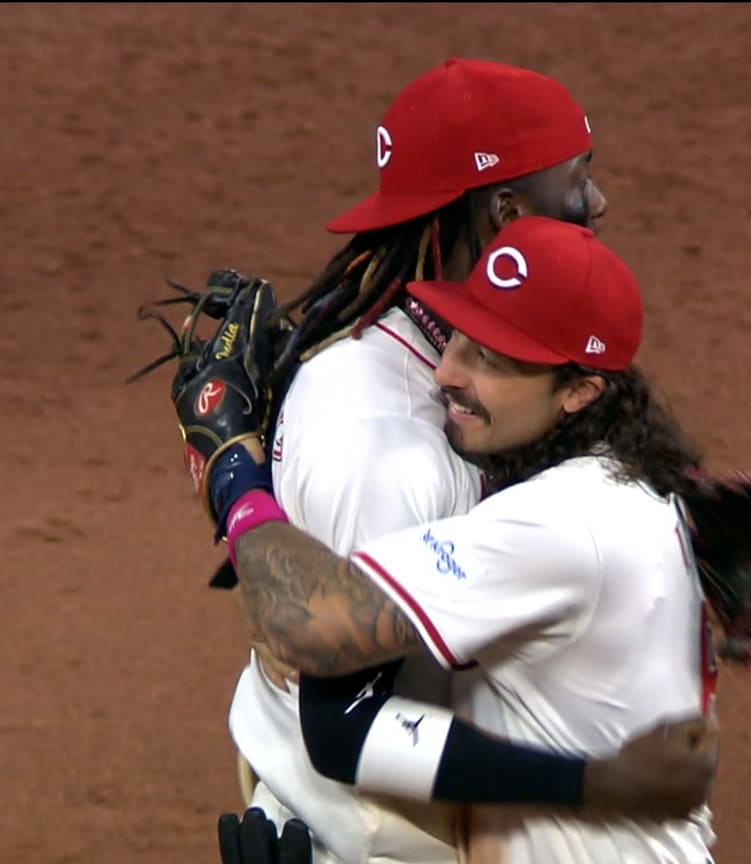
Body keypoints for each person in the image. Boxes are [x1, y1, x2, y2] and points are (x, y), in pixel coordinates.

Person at [157, 58, 718, 864]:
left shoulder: (497, 387)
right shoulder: (384, 431)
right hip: (372, 838)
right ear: (504, 211)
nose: (597, 201)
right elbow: (345, 717)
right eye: (579, 179)